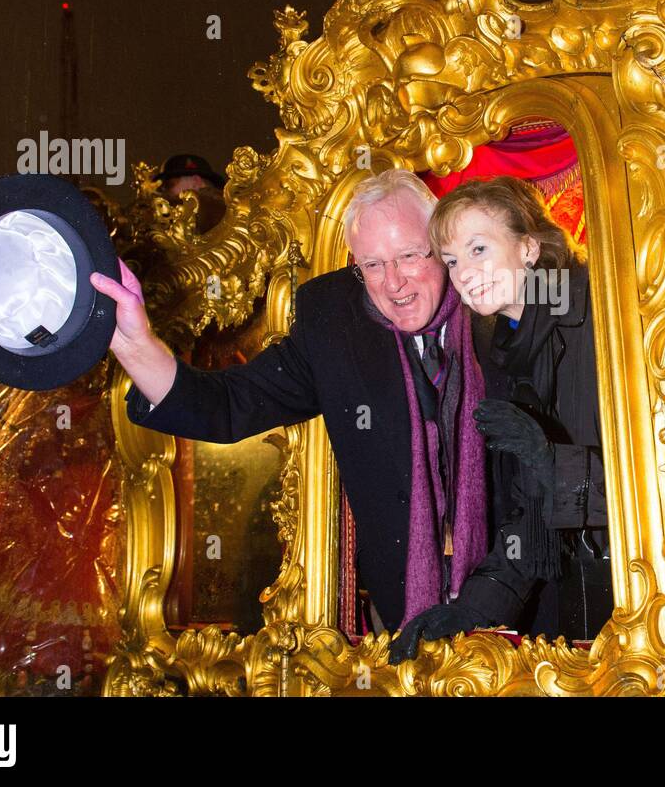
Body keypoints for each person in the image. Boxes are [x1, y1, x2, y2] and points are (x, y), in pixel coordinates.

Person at [90, 169, 497, 636]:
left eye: (409, 255)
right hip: (407, 618)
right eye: (372, 265)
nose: (393, 283)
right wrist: (136, 344)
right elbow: (229, 405)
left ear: (443, 247)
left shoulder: (491, 295)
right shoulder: (334, 323)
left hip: (526, 606)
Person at [389, 175, 611, 663]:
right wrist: (472, 611)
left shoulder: (598, 311)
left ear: (528, 248)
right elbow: (528, 514)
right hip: (587, 605)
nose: (465, 273)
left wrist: (549, 460)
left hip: (658, 594)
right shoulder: (504, 352)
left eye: (479, 249)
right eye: (452, 260)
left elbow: (650, 485)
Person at [153, 153, 226, 231]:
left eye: (169, 185)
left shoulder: (214, 218)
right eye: (162, 187)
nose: (164, 191)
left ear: (196, 182)